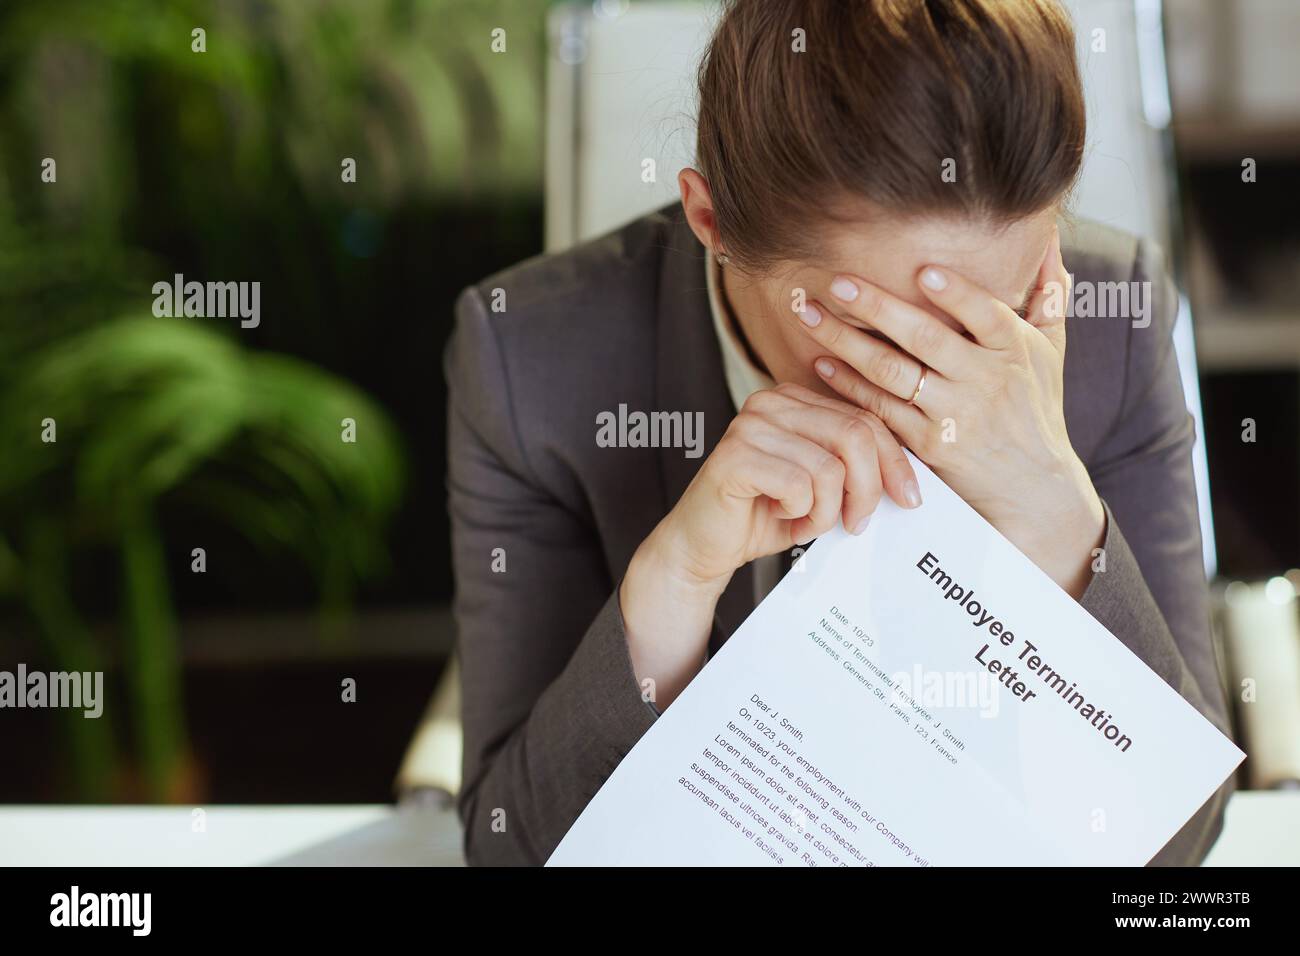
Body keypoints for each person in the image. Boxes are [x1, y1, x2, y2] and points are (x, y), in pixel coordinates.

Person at [445, 0, 1232, 866]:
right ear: (712, 225)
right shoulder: (529, 362)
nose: (935, 385)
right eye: (881, 338)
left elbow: (1180, 850)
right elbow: (509, 849)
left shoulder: (1112, 330)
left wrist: (1052, 516)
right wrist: (672, 590)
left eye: (989, 320)